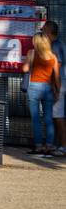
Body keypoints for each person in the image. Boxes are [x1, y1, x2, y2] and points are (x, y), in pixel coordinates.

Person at [22, 31, 61, 155]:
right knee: (48, 118)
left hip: (34, 87)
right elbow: (56, 76)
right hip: (48, 88)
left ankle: (38, 146)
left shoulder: (32, 53)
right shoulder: (53, 56)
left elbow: (25, 69)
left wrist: (28, 63)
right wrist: (57, 90)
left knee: (36, 119)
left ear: (36, 42)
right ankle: (49, 145)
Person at [45, 20, 65, 156]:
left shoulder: (55, 46)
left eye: (44, 30)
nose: (42, 32)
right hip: (61, 82)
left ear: (49, 31)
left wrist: (56, 88)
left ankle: (63, 146)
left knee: (58, 116)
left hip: (60, 83)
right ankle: (59, 144)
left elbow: (56, 68)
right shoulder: (60, 44)